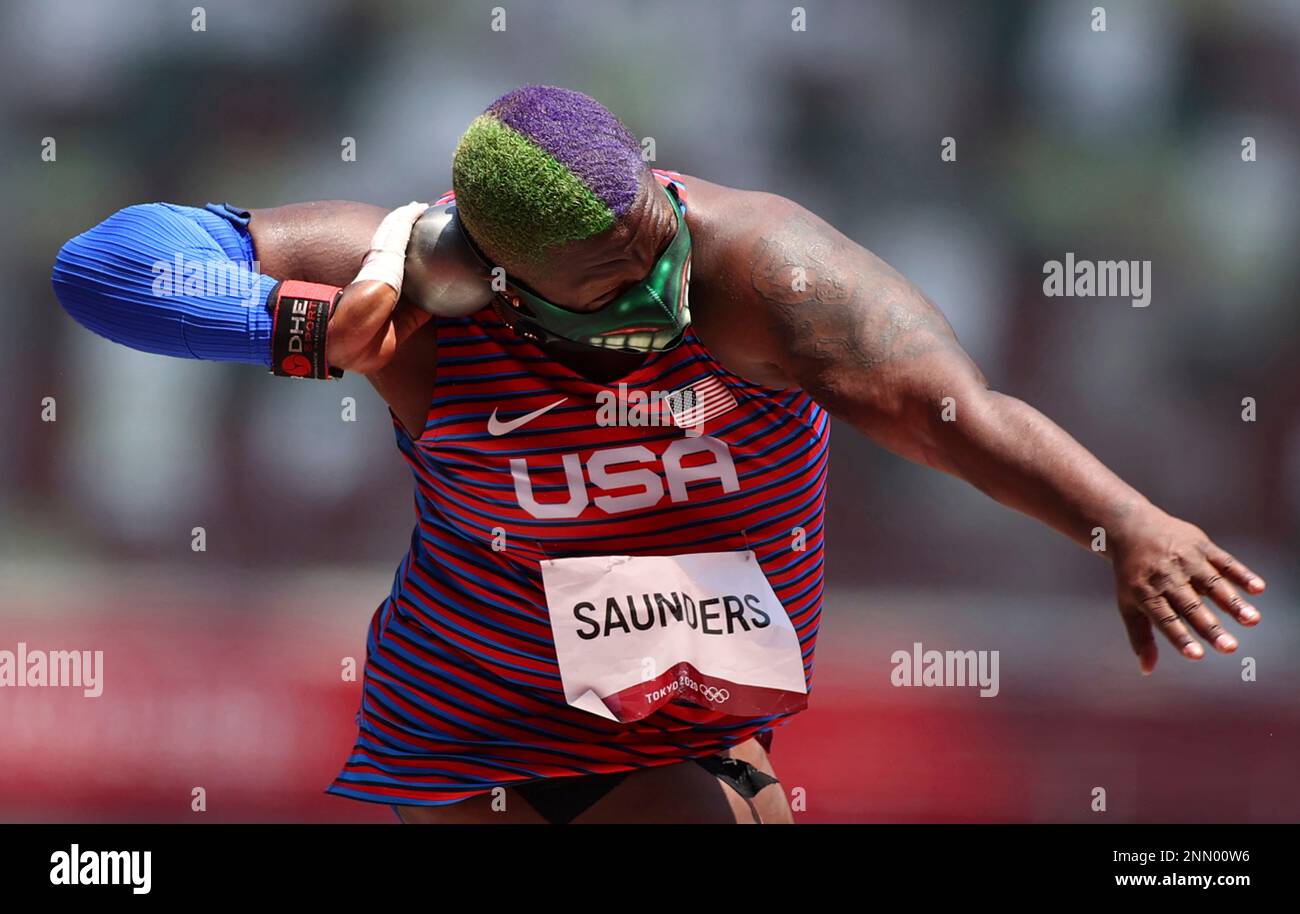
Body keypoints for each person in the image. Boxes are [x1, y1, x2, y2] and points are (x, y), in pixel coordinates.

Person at [50, 86, 1265, 824]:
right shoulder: (410, 284)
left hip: (686, 731)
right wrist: (299, 328)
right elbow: (101, 263)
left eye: (655, 237)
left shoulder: (761, 272)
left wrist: (1127, 523)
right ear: (506, 278)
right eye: (619, 281)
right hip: (462, 726)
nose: (662, 281)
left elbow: (950, 411)